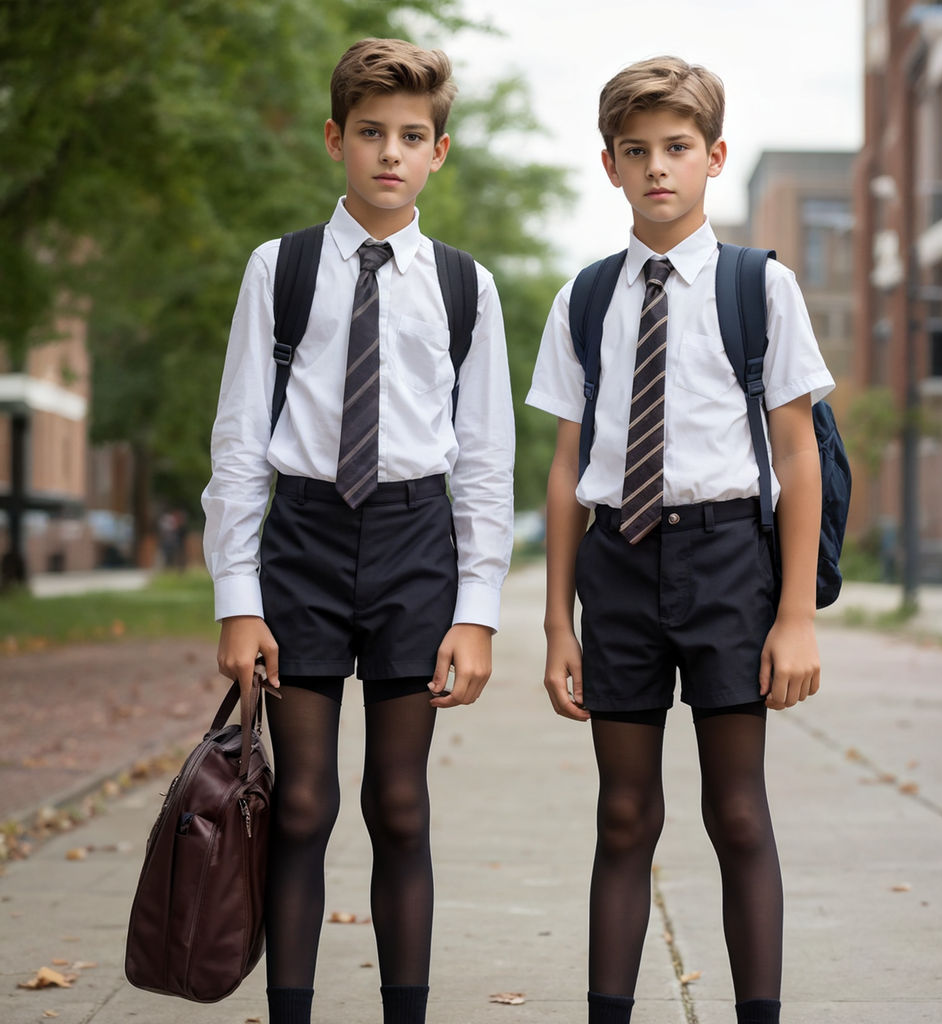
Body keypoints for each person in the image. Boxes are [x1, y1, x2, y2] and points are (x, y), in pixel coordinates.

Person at [201, 38, 514, 1024]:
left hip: (417, 549)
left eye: (411, 136)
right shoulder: (281, 269)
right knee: (300, 802)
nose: (390, 151)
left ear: (439, 152)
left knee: (400, 803)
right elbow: (240, 444)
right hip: (301, 544)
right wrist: (236, 601)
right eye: (371, 132)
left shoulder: (465, 286)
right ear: (336, 139)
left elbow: (483, 463)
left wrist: (478, 613)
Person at [526, 57, 834, 1024]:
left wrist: (795, 617)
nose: (658, 167)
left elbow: (797, 455)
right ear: (610, 166)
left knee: (736, 814)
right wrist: (556, 625)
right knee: (625, 815)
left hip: (730, 565)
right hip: (617, 564)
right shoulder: (585, 299)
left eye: (677, 149)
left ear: (714, 158)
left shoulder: (760, 288)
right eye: (637, 151)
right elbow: (567, 468)